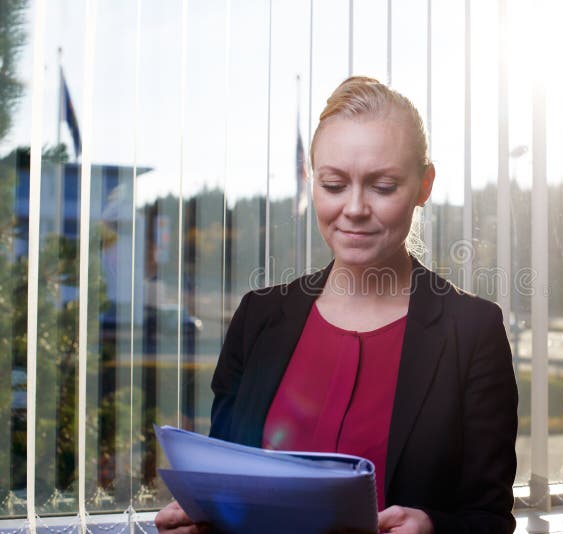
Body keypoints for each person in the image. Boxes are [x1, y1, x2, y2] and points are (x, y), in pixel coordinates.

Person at [155, 76, 518, 534]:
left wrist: (432, 528)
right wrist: (201, 519)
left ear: (424, 185)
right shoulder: (258, 318)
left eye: (383, 186)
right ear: (312, 180)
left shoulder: (473, 332)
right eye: (333, 184)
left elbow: (488, 520)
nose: (354, 208)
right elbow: (227, 490)